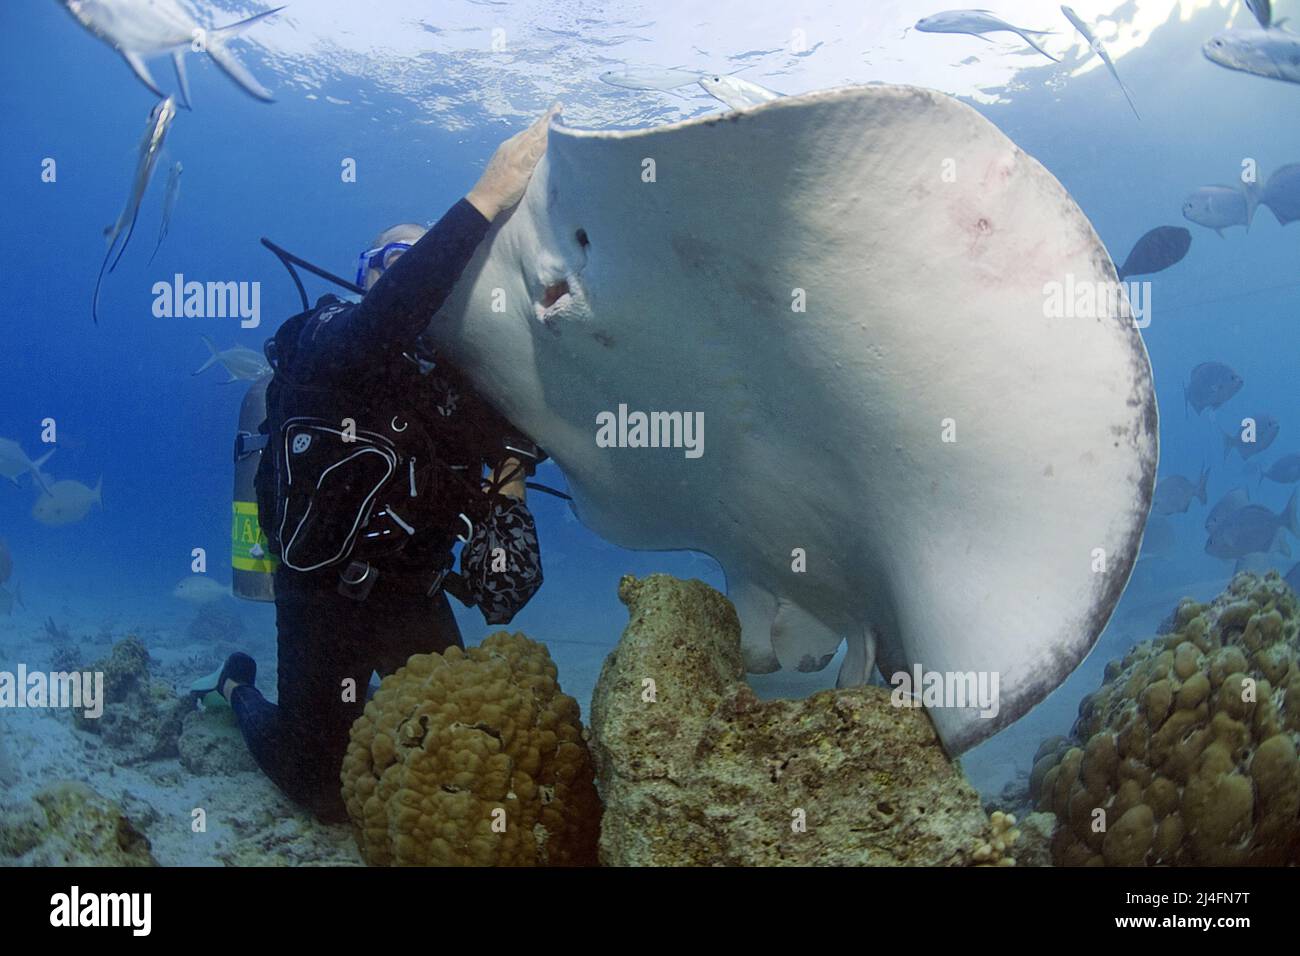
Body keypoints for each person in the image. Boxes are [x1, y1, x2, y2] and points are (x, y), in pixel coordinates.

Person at [192, 105, 560, 823]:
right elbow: (383, 320)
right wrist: (485, 198)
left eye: (415, 265)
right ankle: (235, 690)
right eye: (388, 263)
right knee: (322, 789)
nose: (404, 279)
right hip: (319, 597)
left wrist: (508, 486)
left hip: (412, 596)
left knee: (466, 744)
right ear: (367, 279)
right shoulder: (326, 344)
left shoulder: (458, 402)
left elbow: (501, 595)